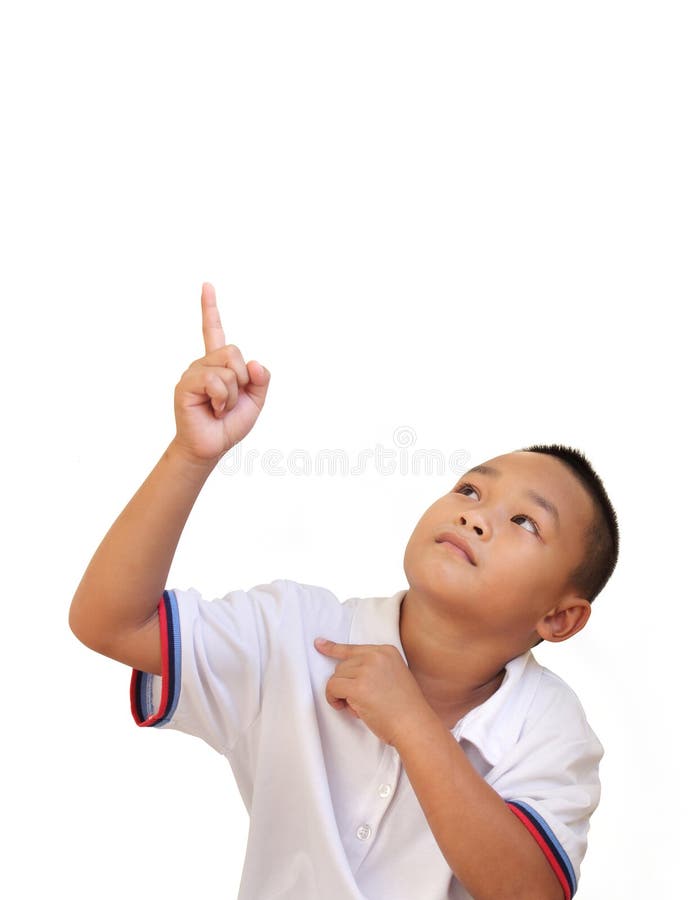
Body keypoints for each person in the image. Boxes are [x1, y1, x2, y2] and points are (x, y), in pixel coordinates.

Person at [69, 283, 618, 900]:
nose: (475, 515)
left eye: (526, 522)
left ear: (561, 619)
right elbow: (108, 623)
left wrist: (411, 723)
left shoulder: (552, 727)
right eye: (469, 490)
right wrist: (191, 455)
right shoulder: (294, 633)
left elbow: (529, 893)